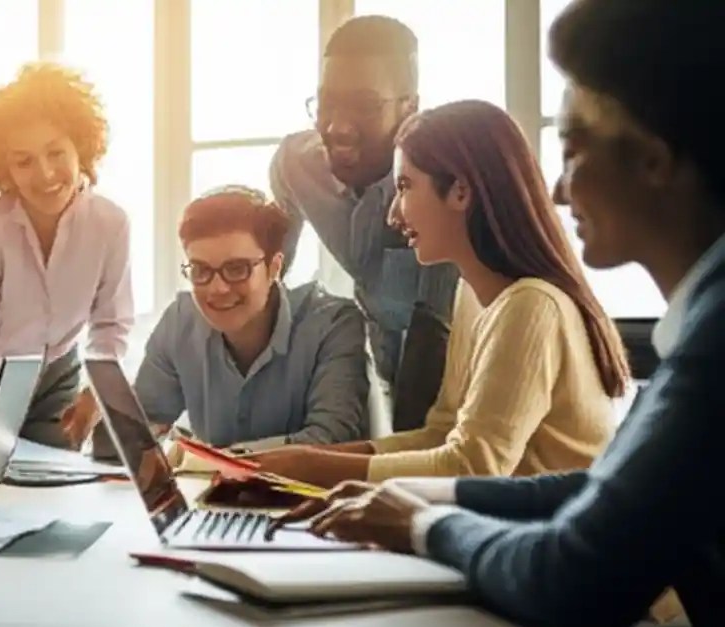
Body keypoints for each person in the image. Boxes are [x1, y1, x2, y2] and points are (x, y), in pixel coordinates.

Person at [271, 1, 725, 627]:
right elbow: (587, 491)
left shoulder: (702, 345)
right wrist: (405, 497)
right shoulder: (699, 325)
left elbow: (574, 574)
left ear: (653, 160)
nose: (559, 185)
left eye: (575, 149)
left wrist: (421, 520)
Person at [250, 100, 630, 489]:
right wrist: (304, 460)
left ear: (461, 192)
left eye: (405, 186)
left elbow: (474, 465)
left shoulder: (532, 306)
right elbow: (444, 433)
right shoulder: (471, 293)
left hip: (546, 540)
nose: (393, 215)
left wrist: (312, 468)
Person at [270, 15, 460, 431]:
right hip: (386, 382)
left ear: (410, 108)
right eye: (326, 104)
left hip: (467, 400)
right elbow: (264, 275)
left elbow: (432, 338)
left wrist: (385, 469)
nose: (337, 126)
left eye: (365, 106)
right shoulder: (296, 166)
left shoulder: (443, 186)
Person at [0, 62, 134, 449]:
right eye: (24, 161)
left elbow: (111, 325)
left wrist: (96, 391)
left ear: (81, 148)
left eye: (56, 153)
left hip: (60, 374)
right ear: (5, 167)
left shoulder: (111, 223)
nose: (46, 174)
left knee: (53, 481)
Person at [135, 185, 368, 452]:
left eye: (237, 269)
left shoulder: (334, 326)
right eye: (200, 270)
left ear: (274, 268)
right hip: (209, 492)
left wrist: (210, 460)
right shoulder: (180, 321)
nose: (217, 289)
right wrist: (112, 418)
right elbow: (142, 425)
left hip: (312, 494)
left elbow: (329, 442)